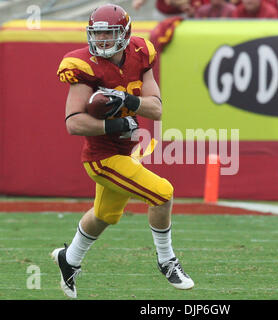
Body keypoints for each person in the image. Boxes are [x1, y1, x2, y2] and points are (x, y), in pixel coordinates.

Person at [52, 3, 194, 299]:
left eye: (109, 34)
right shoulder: (82, 65)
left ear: (125, 34)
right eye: (98, 34)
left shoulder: (141, 53)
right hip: (102, 158)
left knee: (104, 214)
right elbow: (74, 123)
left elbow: (156, 110)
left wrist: (126, 102)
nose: (102, 41)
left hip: (126, 152)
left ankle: (70, 259)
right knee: (162, 192)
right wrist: (114, 126)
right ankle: (167, 260)